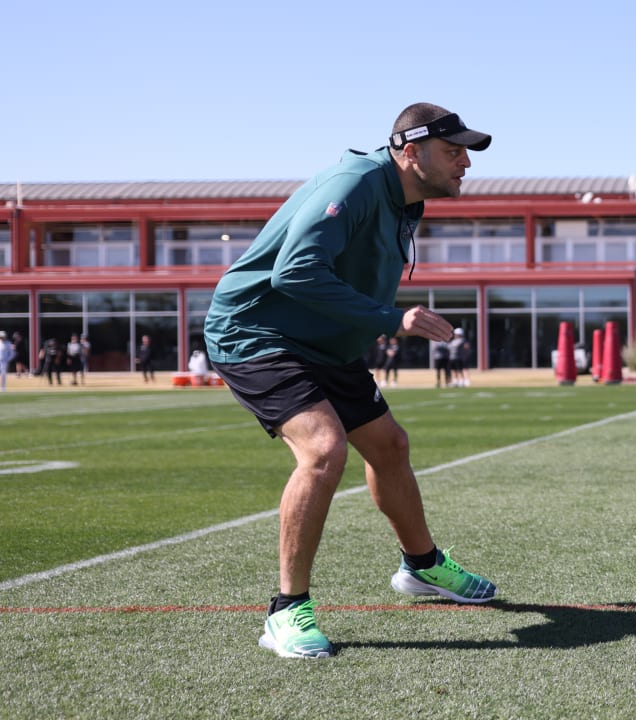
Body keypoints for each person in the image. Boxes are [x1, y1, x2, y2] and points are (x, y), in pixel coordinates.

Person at [202, 102, 497, 659]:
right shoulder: (357, 183)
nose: (465, 163)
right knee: (324, 448)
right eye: (453, 151)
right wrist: (393, 320)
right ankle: (286, 610)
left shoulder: (409, 201)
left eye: (466, 153)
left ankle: (423, 566)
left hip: (324, 343)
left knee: (390, 446)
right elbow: (295, 271)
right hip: (256, 333)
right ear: (409, 153)